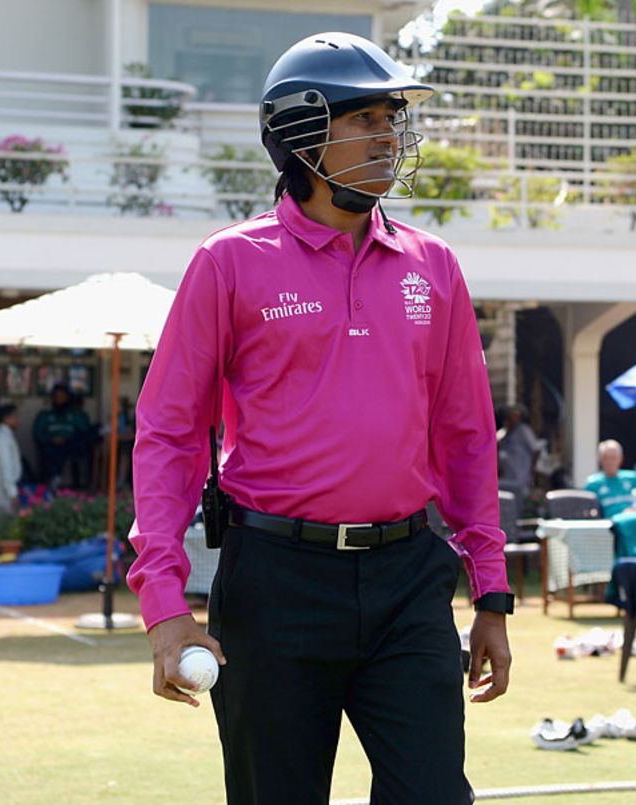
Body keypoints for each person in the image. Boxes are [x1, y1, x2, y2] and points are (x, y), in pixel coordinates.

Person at [126, 32, 513, 805]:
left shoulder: (434, 265)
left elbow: (467, 436)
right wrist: (164, 606)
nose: (387, 135)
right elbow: (169, 433)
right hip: (275, 582)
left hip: (409, 577)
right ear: (300, 134)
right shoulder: (229, 261)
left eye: (392, 118)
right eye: (364, 117)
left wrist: (492, 593)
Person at [32, 384, 91, 488]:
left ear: (68, 397)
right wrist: (50, 439)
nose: (59, 399)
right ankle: (55, 478)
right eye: (56, 396)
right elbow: (37, 433)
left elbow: (85, 432)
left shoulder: (77, 415)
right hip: (50, 445)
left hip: (71, 445)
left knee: (67, 446)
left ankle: (57, 478)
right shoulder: (44, 415)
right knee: (51, 448)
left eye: (62, 396)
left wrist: (66, 439)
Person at [497, 404, 543, 517]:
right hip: (508, 476)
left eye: (515, 415)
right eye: (509, 415)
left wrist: (532, 471)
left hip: (521, 475)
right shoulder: (504, 433)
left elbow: (536, 450)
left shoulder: (524, 430)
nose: (512, 418)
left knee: (519, 503)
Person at [585, 438, 636, 518]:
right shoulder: (593, 483)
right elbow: (588, 512)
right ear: (600, 460)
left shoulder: (632, 478)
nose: (610, 461)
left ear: (621, 458)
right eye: (606, 457)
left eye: (613, 457)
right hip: (609, 523)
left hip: (633, 521)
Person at [0, 404, 23, 518]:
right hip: (1, 488)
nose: (19, 420)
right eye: (16, 416)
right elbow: (5, 467)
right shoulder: (1, 438)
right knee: (7, 524)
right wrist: (12, 494)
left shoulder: (2, 435)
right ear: (6, 419)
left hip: (3, 486)